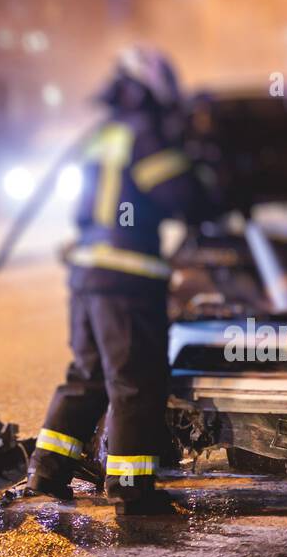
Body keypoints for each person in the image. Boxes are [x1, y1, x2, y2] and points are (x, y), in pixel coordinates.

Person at [25, 47, 215, 515]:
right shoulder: (146, 136)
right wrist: (202, 166)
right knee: (134, 381)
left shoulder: (102, 135)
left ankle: (47, 474)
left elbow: (81, 208)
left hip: (88, 275)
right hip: (127, 280)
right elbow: (184, 199)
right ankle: (130, 489)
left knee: (88, 375)